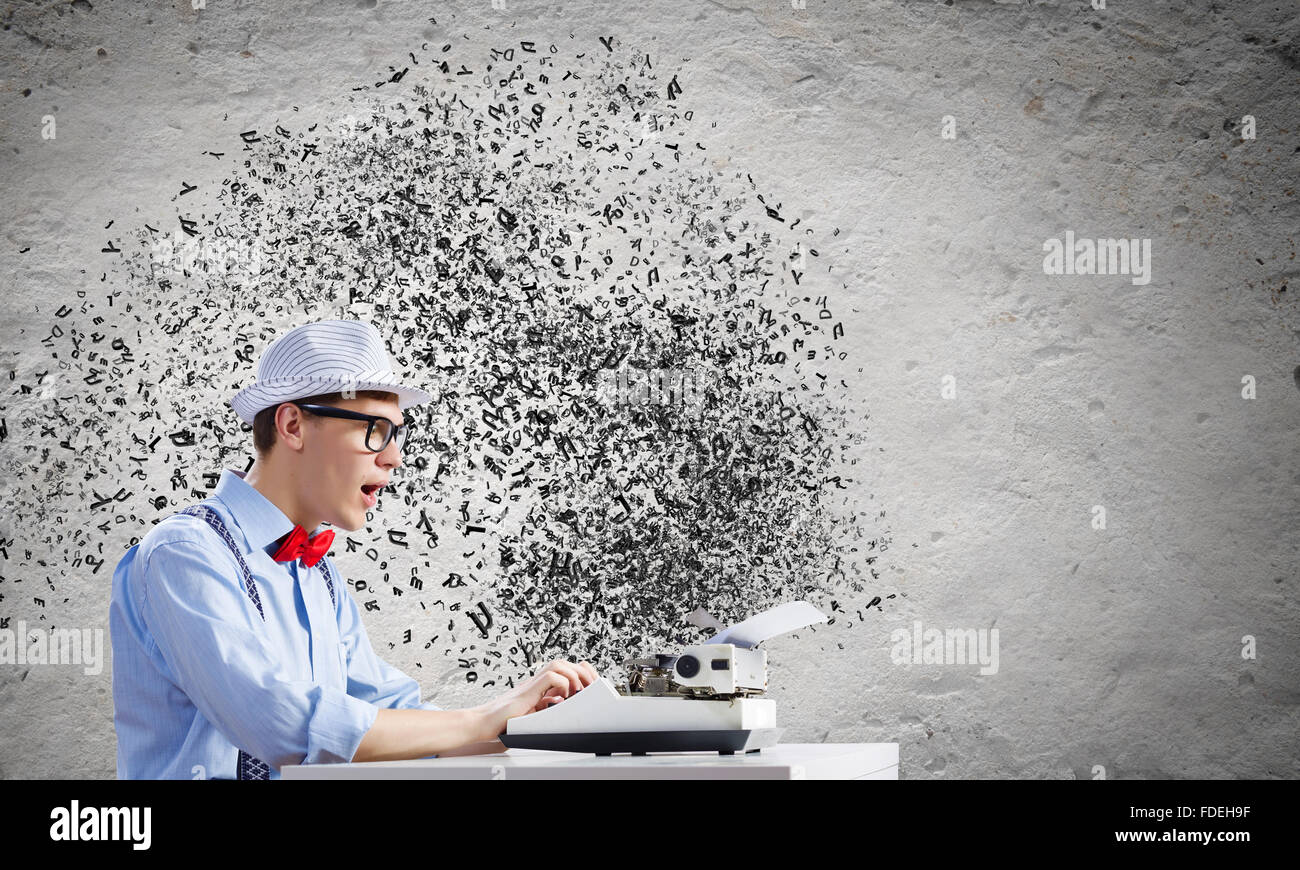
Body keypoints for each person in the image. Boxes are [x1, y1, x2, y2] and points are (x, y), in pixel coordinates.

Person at [109, 319, 597, 779]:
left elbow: (390, 717)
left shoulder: (318, 575)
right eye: (375, 430)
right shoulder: (185, 553)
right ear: (293, 426)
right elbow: (280, 725)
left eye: (397, 433)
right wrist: (485, 717)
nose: (394, 457)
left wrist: (534, 725)